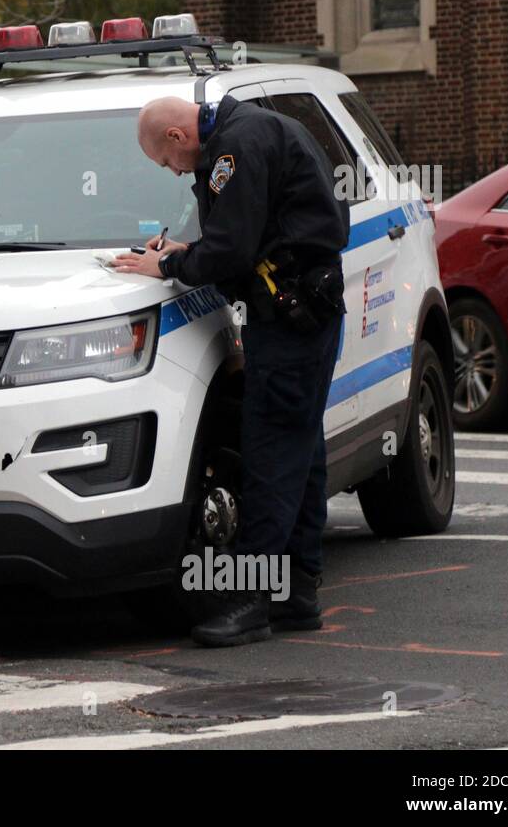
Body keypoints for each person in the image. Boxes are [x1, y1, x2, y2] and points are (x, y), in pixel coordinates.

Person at [114, 94, 349, 647]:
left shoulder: (235, 149)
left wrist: (169, 263)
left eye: (166, 162)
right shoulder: (254, 131)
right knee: (301, 450)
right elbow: (256, 229)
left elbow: (232, 251)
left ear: (177, 137)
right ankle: (297, 590)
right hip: (306, 309)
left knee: (269, 455)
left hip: (288, 317)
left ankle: (250, 600)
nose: (173, 172)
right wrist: (190, 247)